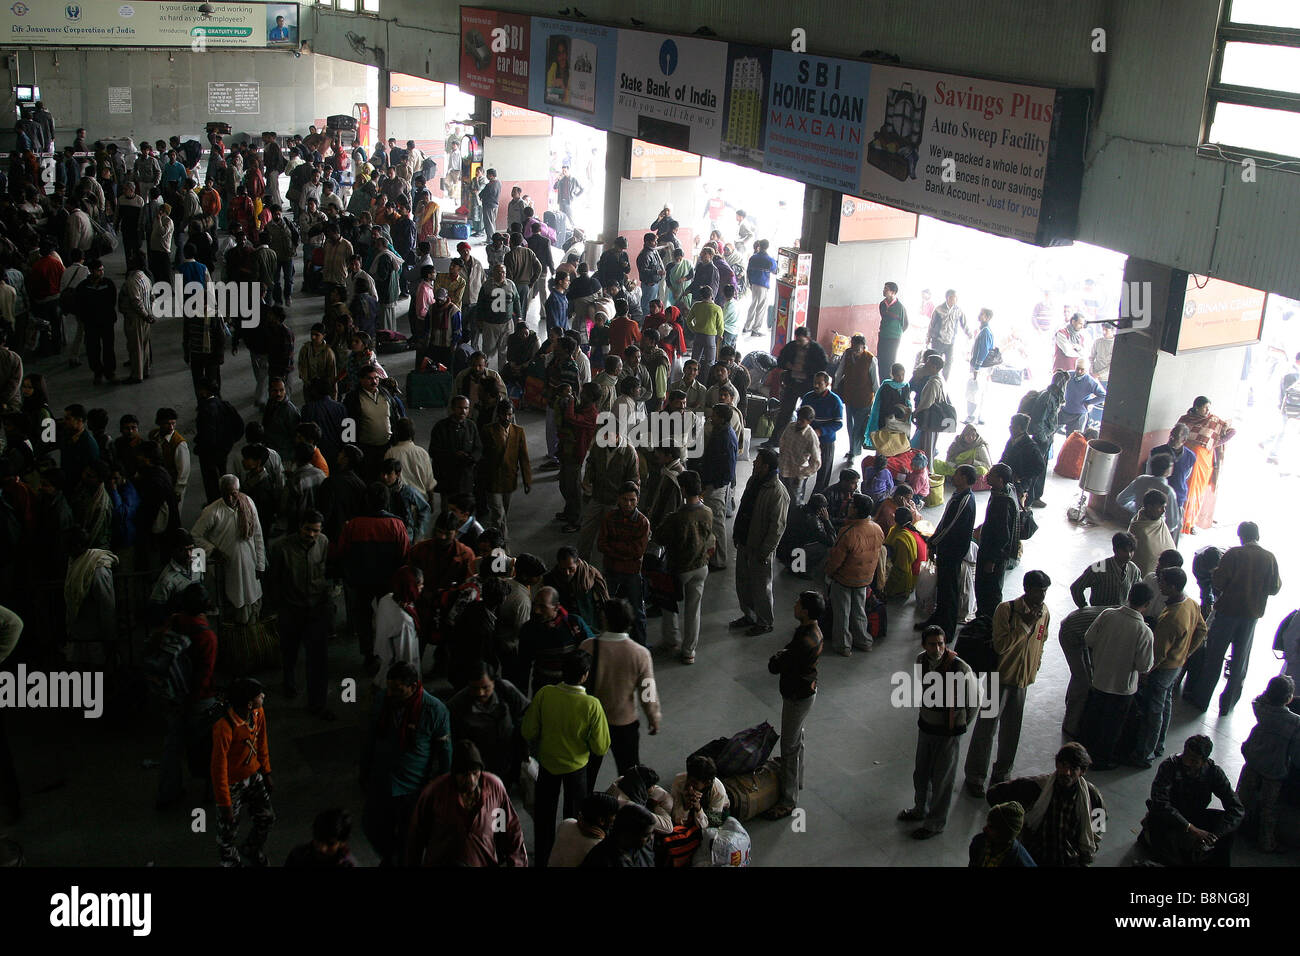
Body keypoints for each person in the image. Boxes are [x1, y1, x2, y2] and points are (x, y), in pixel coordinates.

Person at [964, 570, 1052, 797]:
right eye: (1038, 591)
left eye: (1045, 591)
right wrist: (1024, 626)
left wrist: (1035, 667)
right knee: (986, 729)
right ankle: (975, 776)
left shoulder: (1045, 614)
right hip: (999, 678)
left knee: (1012, 732)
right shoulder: (1007, 610)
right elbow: (1001, 645)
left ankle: (1002, 775)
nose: (1042, 596)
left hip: (1022, 681)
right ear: (1027, 589)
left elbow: (1041, 643)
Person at [522, 649, 610, 867]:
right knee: (574, 819)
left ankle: (543, 859)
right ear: (585, 675)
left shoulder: (544, 693)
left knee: (544, 817)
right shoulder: (592, 705)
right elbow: (601, 747)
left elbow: (528, 730)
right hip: (576, 769)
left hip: (548, 765)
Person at [360, 660, 452, 865]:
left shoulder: (434, 710)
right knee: (371, 825)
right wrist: (364, 770)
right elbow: (371, 737)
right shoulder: (383, 700)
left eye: (397, 690)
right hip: (382, 781)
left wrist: (441, 789)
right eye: (389, 687)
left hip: (413, 788)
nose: (391, 694)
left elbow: (445, 753)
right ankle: (392, 858)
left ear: (413, 687)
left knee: (409, 838)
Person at [1185, 521, 1282, 714]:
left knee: (1214, 658)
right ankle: (1227, 705)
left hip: (1226, 614)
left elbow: (1218, 583)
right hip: (1250, 617)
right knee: (1239, 662)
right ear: (1258, 536)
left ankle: (1201, 700)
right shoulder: (1269, 558)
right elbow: (1275, 588)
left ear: (1241, 537)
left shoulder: (1234, 554)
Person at [899, 625, 981, 839]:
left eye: (941, 644)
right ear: (924, 645)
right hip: (926, 727)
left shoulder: (960, 668)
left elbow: (974, 701)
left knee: (942, 778)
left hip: (948, 732)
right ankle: (920, 809)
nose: (937, 648)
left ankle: (935, 823)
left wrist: (959, 724)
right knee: (922, 772)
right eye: (932, 644)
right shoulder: (921, 661)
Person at [1124, 567, 1207, 768]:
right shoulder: (1191, 604)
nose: (1158, 584)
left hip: (1163, 669)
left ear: (1172, 586)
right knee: (1164, 705)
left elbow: (1158, 653)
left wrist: (1145, 672)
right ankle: (1159, 744)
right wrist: (1186, 653)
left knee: (1153, 711)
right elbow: (1202, 629)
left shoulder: (1172, 616)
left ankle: (1144, 753)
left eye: (1162, 581)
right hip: (1176, 666)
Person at [403, 739, 526, 867]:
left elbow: (511, 831)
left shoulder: (494, 788)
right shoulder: (434, 793)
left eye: (475, 773)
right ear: (454, 774)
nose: (471, 780)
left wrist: (516, 863)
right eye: (465, 775)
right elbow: (415, 839)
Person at [579, 599, 661, 791]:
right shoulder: (640, 653)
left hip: (592, 721)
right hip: (624, 723)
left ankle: (584, 809)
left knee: (587, 771)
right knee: (629, 771)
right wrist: (653, 716)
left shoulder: (588, 647)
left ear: (605, 620)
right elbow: (648, 690)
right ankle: (631, 808)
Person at [986, 743, 1104, 867]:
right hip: (1034, 856)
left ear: (1082, 771)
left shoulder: (1092, 796)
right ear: (1057, 764)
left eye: (1074, 768)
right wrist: (1012, 824)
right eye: (1063, 765)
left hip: (1069, 861)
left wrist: (1092, 844)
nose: (1067, 772)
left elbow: (1100, 820)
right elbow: (994, 794)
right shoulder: (1037, 786)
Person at [1079, 582, 1156, 769]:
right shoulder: (1144, 631)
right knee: (1112, 727)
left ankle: (1083, 754)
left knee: (1093, 719)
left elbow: (1089, 639)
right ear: (1147, 605)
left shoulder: (1108, 615)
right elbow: (1144, 665)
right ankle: (1102, 760)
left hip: (1099, 679)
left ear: (1129, 595)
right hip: (1123, 688)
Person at [266, 509, 333, 718]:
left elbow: (326, 571)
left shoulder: (323, 543)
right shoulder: (281, 548)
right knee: (289, 651)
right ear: (300, 526)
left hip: (316, 609)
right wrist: (275, 608)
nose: (311, 535)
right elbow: (272, 581)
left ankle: (317, 703)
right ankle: (289, 681)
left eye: (315, 531)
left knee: (318, 660)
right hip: (291, 609)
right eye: (308, 530)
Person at [1138, 735, 1244, 867]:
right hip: (1171, 817)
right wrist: (1191, 829)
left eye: (1194, 761)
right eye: (1186, 757)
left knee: (1228, 823)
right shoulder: (1169, 766)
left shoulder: (1213, 773)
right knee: (1157, 818)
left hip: (1195, 814)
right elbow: (1161, 803)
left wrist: (1215, 835)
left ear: (1204, 761)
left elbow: (1236, 808)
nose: (1187, 763)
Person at [765, 590, 824, 819]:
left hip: (797, 696)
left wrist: (778, 657)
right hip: (807, 691)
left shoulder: (803, 641)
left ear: (806, 611)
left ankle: (788, 800)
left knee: (789, 747)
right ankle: (797, 779)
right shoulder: (813, 632)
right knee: (797, 737)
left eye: (799, 603)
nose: (795, 605)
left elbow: (776, 665)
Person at [211, 678, 275, 867]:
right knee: (228, 831)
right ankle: (230, 862)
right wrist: (225, 803)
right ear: (248, 703)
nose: (263, 697)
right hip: (232, 784)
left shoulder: (257, 713)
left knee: (267, 817)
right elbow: (218, 768)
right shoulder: (224, 728)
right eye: (259, 696)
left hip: (253, 776)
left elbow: (262, 742)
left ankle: (251, 848)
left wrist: (266, 771)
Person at [1236, 675, 1300, 852]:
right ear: (1289, 698)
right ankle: (1266, 842)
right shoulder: (1295, 721)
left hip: (1254, 760)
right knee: (1268, 808)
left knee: (1243, 797)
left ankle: (1234, 827)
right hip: (1274, 769)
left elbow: (1258, 698)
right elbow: (1296, 753)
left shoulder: (1261, 709)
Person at [657, 470, 714, 665]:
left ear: (682, 489)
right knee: (693, 609)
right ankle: (689, 651)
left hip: (678, 568)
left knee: (669, 605)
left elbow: (660, 538)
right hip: (701, 566)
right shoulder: (707, 511)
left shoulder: (676, 517)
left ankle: (671, 640)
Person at [191, 475, 266, 624]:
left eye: (234, 494)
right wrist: (213, 550)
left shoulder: (248, 504)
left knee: (253, 601)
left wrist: (260, 564)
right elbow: (195, 535)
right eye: (226, 495)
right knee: (232, 603)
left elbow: (258, 535)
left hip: (250, 565)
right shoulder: (212, 511)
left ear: (238, 491)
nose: (231, 499)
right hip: (229, 568)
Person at [445, 660, 530, 788]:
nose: (480, 693)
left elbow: (527, 712)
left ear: (494, 683)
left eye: (485, 687)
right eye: (475, 688)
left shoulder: (506, 691)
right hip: (478, 766)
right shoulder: (457, 705)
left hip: (507, 758)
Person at [922, 465, 978, 641]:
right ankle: (937, 621)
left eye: (957, 474)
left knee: (950, 591)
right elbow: (944, 521)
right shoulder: (957, 495)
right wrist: (934, 541)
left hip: (952, 551)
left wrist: (933, 542)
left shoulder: (965, 500)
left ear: (965, 478)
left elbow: (951, 526)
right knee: (943, 587)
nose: (953, 476)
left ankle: (947, 629)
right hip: (946, 548)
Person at [824, 492, 885, 656]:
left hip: (844, 579)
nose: (849, 507)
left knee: (842, 613)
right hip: (865, 579)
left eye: (851, 506)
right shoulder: (877, 528)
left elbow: (836, 561)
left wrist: (829, 574)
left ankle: (843, 645)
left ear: (855, 510)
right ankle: (863, 641)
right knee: (859, 611)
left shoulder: (848, 532)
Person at [597, 482, 650, 646]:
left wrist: (615, 547)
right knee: (607, 608)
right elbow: (601, 545)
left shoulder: (642, 523)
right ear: (619, 499)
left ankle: (640, 647)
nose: (628, 504)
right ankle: (606, 644)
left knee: (637, 612)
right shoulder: (609, 518)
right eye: (625, 499)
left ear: (637, 500)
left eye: (632, 500)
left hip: (632, 573)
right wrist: (626, 551)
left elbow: (638, 551)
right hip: (612, 570)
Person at [1175, 396, 1235, 535]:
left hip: (1202, 462)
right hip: (1183, 459)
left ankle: (1189, 523)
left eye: (1209, 407)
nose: (1207, 410)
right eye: (1204, 407)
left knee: (1195, 491)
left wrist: (1214, 444)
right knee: (1182, 487)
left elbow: (1232, 431)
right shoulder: (1185, 419)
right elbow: (1175, 435)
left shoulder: (1213, 420)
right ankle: (1177, 520)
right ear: (1196, 407)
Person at [974, 464, 1019, 618]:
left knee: (988, 589)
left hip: (994, 555)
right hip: (994, 551)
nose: (987, 476)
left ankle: (987, 621)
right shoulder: (1006, 490)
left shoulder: (1002, 502)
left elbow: (1003, 536)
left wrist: (991, 560)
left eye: (991, 474)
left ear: (1000, 479)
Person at [770, 327, 828, 441]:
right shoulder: (791, 346)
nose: (798, 343)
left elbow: (823, 365)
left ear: (808, 339)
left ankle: (806, 439)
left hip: (808, 386)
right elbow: (780, 360)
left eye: (801, 341)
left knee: (807, 413)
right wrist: (789, 365)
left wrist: (805, 369)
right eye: (797, 340)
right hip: (792, 384)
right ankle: (775, 439)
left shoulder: (816, 349)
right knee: (785, 412)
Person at [428, 396, 483, 512]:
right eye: (460, 408)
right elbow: (433, 451)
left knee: (464, 513)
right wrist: (453, 455)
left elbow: (478, 448)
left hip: (466, 480)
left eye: (466, 408)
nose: (463, 411)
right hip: (448, 480)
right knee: (448, 512)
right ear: (453, 408)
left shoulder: (471, 426)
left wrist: (471, 458)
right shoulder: (441, 427)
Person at [1115, 453, 1182, 541]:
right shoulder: (1168, 491)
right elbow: (1172, 522)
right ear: (1167, 470)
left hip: (1136, 525)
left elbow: (1121, 499)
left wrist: (1137, 509)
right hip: (1155, 532)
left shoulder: (1141, 480)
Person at [1069, 532, 1141, 609]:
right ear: (1115, 550)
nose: (1129, 555)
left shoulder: (1134, 569)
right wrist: (1084, 608)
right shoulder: (1099, 568)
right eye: (1124, 551)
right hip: (1098, 615)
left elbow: (1138, 591)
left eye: (1131, 551)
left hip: (1120, 615)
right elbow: (1076, 587)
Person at [550, 792, 618, 867]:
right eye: (614, 815)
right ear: (601, 820)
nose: (616, 818)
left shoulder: (567, 823)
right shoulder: (599, 848)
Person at [580, 803, 657, 868]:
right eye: (646, 835)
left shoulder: (645, 849)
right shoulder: (600, 859)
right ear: (628, 834)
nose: (651, 838)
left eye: (651, 834)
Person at [999, 413, 1047, 508]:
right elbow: (1004, 457)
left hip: (1020, 486)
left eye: (1012, 425)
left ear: (1019, 428)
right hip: (1007, 480)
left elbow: (1040, 467)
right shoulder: (1011, 440)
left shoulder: (1030, 446)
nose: (1010, 427)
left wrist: (1022, 477)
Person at [969, 801, 1036, 867]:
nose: (984, 828)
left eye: (991, 827)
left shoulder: (1021, 862)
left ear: (1005, 834)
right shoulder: (978, 843)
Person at [284, 809, 357, 868]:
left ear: (342, 843)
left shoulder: (348, 865)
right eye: (319, 840)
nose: (322, 848)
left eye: (330, 844)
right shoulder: (298, 856)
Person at [1127, 489, 1174, 577]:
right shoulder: (1137, 528)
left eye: (1164, 507)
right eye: (1160, 507)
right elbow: (1142, 559)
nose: (1164, 511)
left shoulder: (1160, 521)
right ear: (1149, 507)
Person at [927, 289, 968, 381]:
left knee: (948, 363)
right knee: (935, 362)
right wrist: (928, 337)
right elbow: (932, 324)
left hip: (950, 341)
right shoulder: (939, 309)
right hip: (938, 340)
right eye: (952, 298)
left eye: (956, 298)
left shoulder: (959, 311)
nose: (954, 300)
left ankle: (944, 382)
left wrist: (969, 334)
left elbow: (964, 324)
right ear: (947, 298)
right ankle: (933, 380)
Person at [1059, 360, 1106, 437]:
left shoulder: (1091, 382)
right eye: (1077, 368)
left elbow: (1103, 395)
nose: (1079, 371)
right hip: (1064, 411)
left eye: (1082, 369)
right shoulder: (1068, 375)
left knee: (1073, 439)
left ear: (1086, 370)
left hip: (1079, 415)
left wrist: (1089, 402)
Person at [965, 308, 996, 424]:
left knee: (973, 391)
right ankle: (977, 416)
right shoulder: (983, 330)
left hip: (980, 368)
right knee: (977, 391)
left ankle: (972, 416)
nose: (979, 315)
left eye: (982, 314)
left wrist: (976, 369)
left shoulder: (985, 332)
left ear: (987, 317)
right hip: (981, 368)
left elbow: (983, 352)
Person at [876, 281, 908, 376]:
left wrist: (896, 332)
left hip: (894, 338)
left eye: (887, 289)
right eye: (884, 288)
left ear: (893, 292)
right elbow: (883, 317)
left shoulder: (900, 307)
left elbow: (905, 324)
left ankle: (888, 378)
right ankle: (880, 378)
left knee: (890, 360)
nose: (884, 290)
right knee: (881, 358)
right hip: (883, 335)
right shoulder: (882, 304)